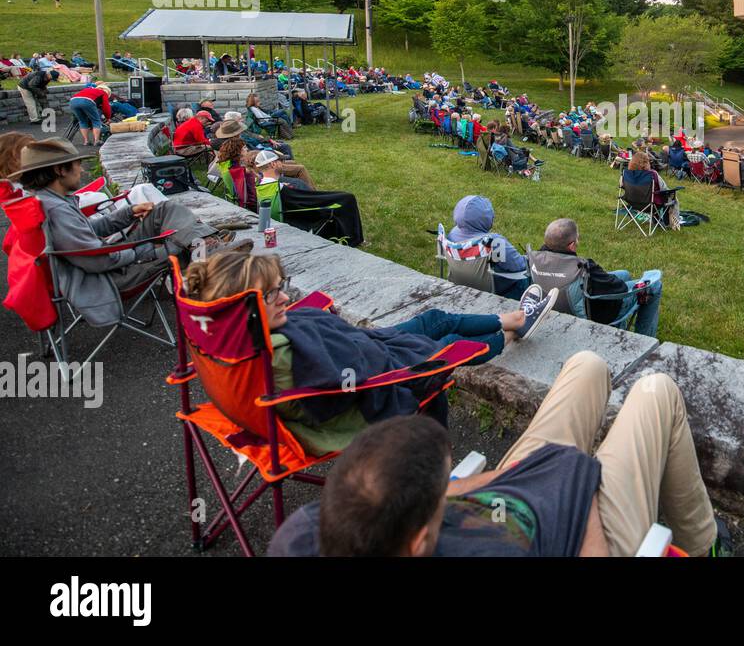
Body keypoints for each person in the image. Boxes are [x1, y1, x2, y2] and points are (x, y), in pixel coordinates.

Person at [270, 349, 729, 558]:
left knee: (587, 365)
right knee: (656, 390)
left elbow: (444, 494)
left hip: (524, 487)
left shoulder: (307, 535)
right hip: (585, 526)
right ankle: (703, 541)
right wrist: (575, 484)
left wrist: (523, 476)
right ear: (415, 542)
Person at [180, 244, 555, 456]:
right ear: (243, 308)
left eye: (282, 286)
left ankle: (516, 319)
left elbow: (331, 345)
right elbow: (336, 394)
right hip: (374, 385)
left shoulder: (231, 343)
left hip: (369, 351)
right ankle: (512, 334)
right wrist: (362, 349)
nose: (284, 296)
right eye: (272, 293)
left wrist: (338, 331)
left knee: (433, 318)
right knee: (449, 348)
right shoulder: (276, 356)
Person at [10, 138, 223, 328]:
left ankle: (207, 245)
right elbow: (98, 261)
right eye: (77, 165)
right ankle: (216, 264)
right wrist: (149, 248)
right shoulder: (56, 210)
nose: (81, 171)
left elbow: (89, 232)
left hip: (107, 262)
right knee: (177, 243)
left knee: (165, 210)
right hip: (108, 278)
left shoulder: (50, 201)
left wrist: (129, 213)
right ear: (60, 170)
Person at [527, 218, 663, 338]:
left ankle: (618, 331)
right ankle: (645, 340)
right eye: (577, 239)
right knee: (655, 286)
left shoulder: (535, 259)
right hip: (592, 314)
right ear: (572, 245)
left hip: (561, 304)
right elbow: (619, 288)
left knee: (624, 274)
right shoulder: (584, 268)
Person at [448, 195, 531, 300]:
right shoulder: (493, 242)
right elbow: (519, 266)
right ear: (486, 218)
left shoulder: (453, 233)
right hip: (497, 291)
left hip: (463, 283)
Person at [622, 151, 681, 229]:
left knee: (654, 196)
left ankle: (657, 220)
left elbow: (622, 186)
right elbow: (665, 189)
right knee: (672, 197)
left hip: (632, 203)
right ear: (646, 163)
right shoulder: (652, 174)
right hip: (651, 204)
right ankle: (671, 224)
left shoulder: (626, 173)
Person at [69, 80, 113, 146]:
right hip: (87, 101)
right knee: (96, 120)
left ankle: (86, 141)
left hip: (73, 101)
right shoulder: (103, 93)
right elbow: (106, 107)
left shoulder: (89, 90)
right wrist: (108, 118)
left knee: (82, 121)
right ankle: (96, 141)